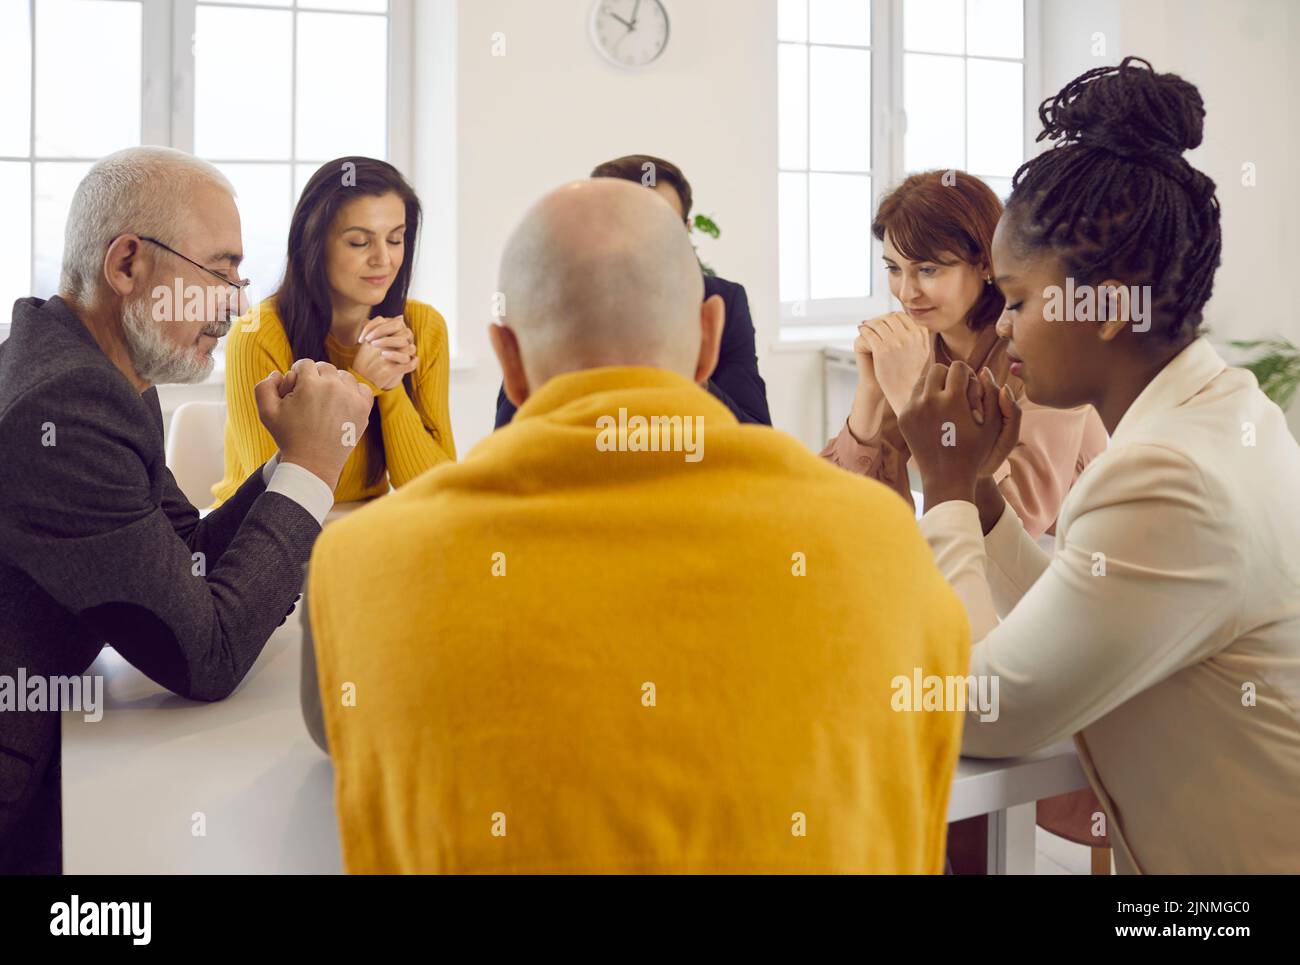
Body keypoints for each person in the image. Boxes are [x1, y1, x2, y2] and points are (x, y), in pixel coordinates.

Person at [300, 178, 968, 873]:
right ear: (709, 338)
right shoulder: (879, 539)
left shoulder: (358, 561)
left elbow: (337, 734)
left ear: (509, 360)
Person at [898, 58, 1300, 873]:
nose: (1001, 330)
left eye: (1015, 300)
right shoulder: (1226, 412)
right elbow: (1084, 600)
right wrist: (978, 499)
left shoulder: (1171, 478)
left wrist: (940, 490)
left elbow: (980, 709)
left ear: (1110, 304)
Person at [0, 146, 373, 873]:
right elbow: (206, 655)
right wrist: (312, 465)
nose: (237, 302)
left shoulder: (100, 369)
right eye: (219, 272)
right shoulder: (65, 406)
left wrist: (284, 459)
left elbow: (188, 553)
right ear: (128, 265)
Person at [822, 170, 1106, 539]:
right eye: (894, 268)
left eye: (927, 270)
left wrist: (914, 399)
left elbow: (1021, 518)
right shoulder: (920, 347)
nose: (906, 292)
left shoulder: (1050, 349)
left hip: (1068, 558)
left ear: (986, 263)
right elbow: (848, 508)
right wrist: (872, 391)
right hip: (974, 559)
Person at [213, 157, 455, 507]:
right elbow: (283, 496)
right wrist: (363, 384)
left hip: (358, 533)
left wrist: (390, 390)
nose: (383, 259)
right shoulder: (260, 333)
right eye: (360, 242)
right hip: (260, 538)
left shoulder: (424, 327)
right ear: (314, 243)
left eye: (396, 239)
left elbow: (439, 491)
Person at [493, 154, 770, 427]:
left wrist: (695, 380)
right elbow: (509, 430)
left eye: (661, 227)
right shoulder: (554, 297)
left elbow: (756, 430)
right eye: (619, 224)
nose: (638, 243)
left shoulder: (724, 300)